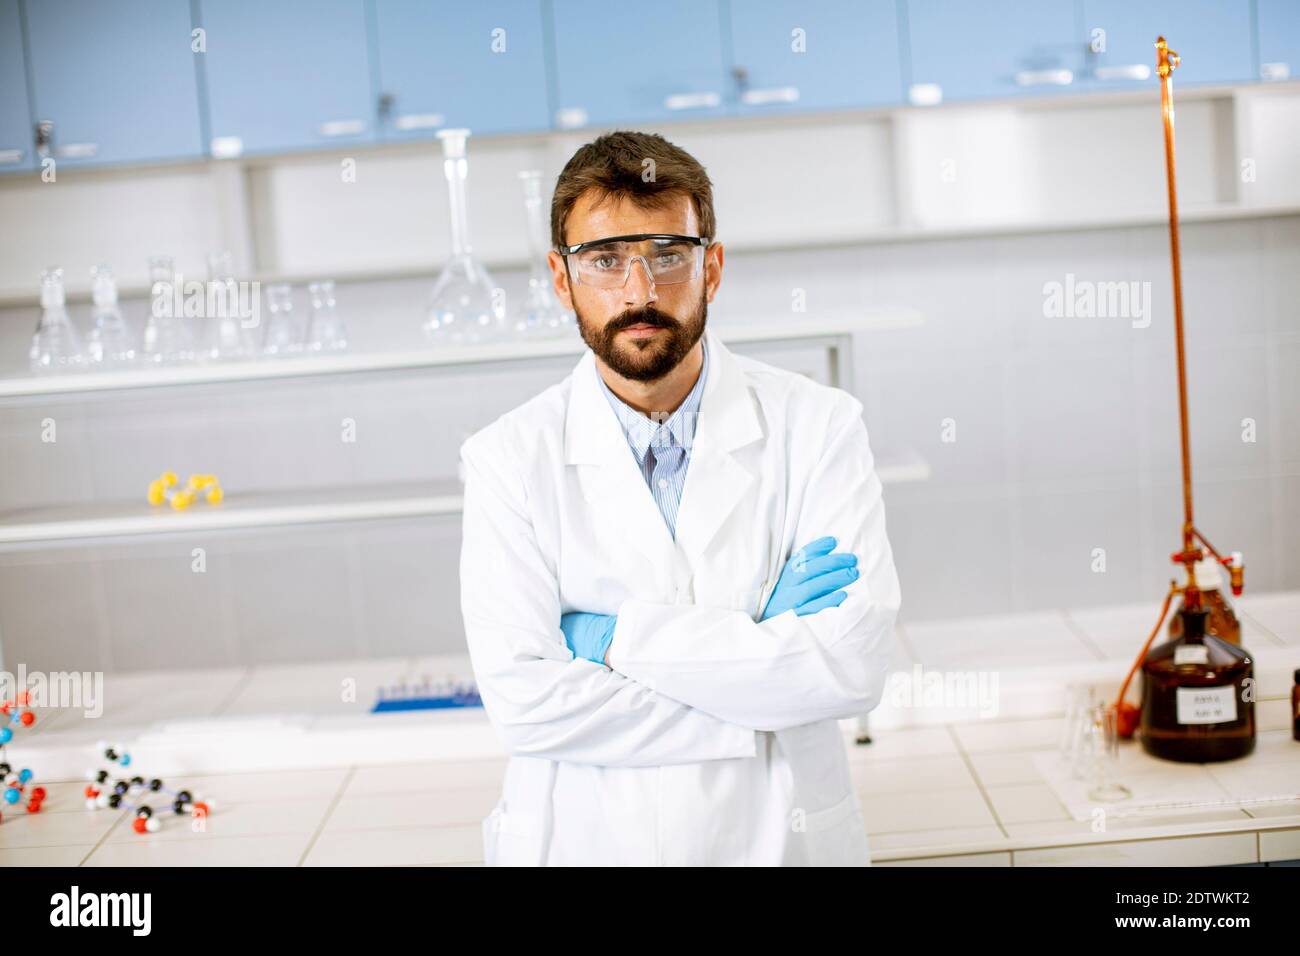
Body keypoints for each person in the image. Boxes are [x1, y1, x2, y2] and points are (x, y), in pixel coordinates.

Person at [458, 130, 901, 865]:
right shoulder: (507, 459)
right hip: (584, 843)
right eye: (604, 261)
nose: (640, 291)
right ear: (561, 280)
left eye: (668, 254)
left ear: (713, 266)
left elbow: (851, 667)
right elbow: (526, 705)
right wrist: (756, 642)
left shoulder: (820, 427)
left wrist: (612, 641)